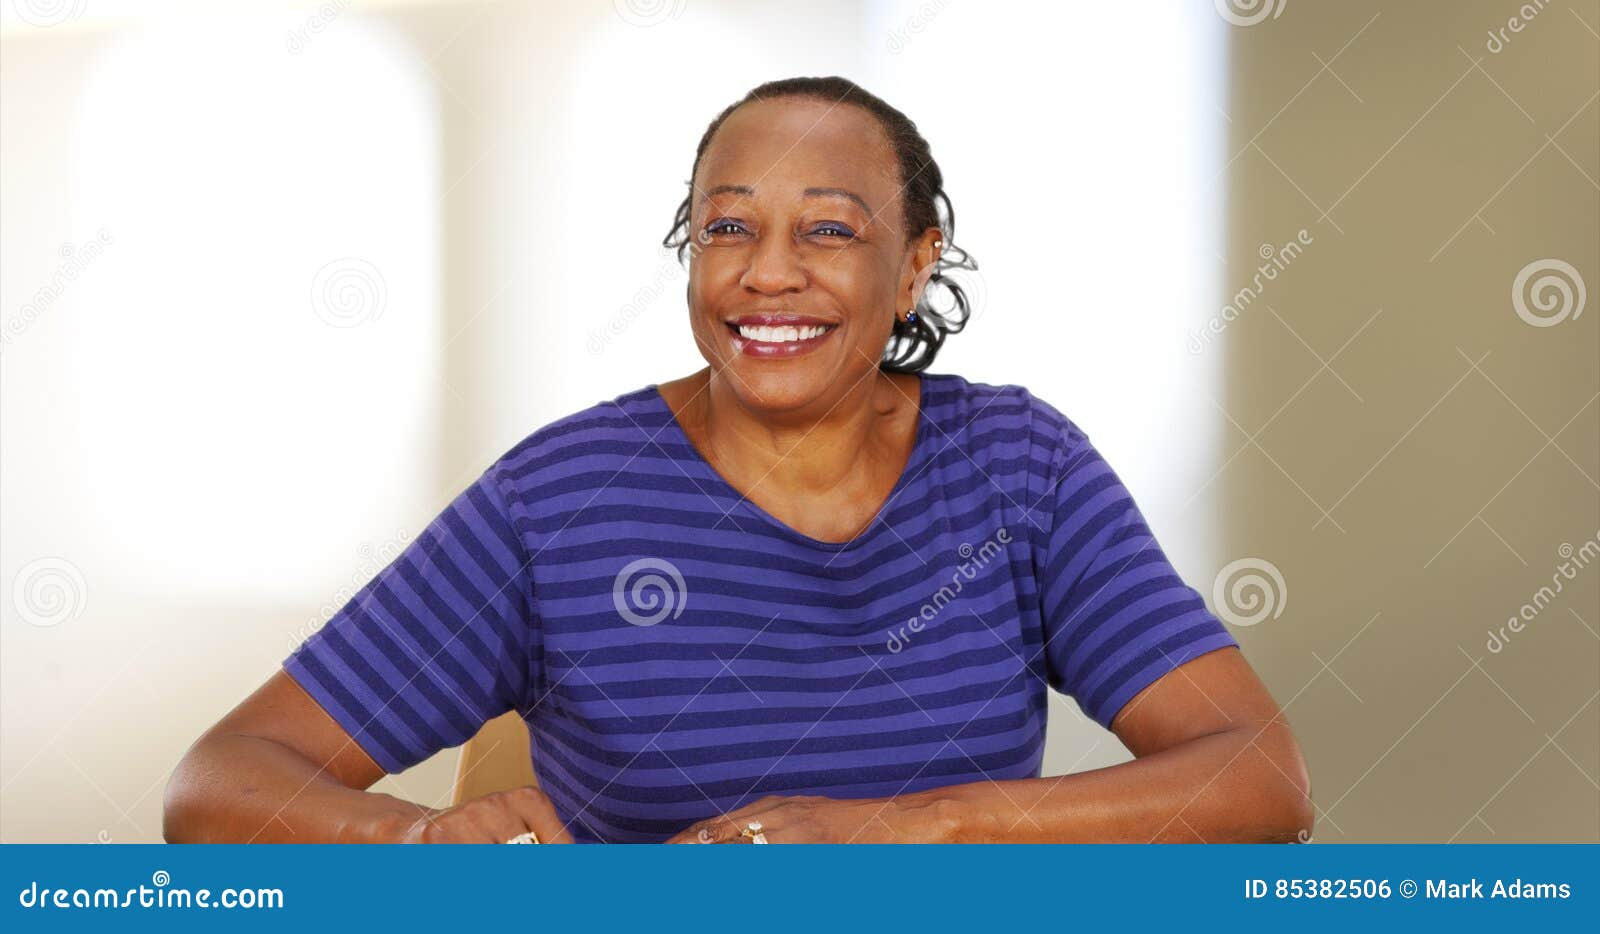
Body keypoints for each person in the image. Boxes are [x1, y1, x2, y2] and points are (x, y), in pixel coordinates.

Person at [164, 76, 1311, 844]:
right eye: (727, 228)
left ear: (914, 267)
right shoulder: (564, 500)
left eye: (827, 229)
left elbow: (1261, 779)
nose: (768, 275)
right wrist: (410, 839)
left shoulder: (1018, 467)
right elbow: (216, 783)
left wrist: (920, 828)